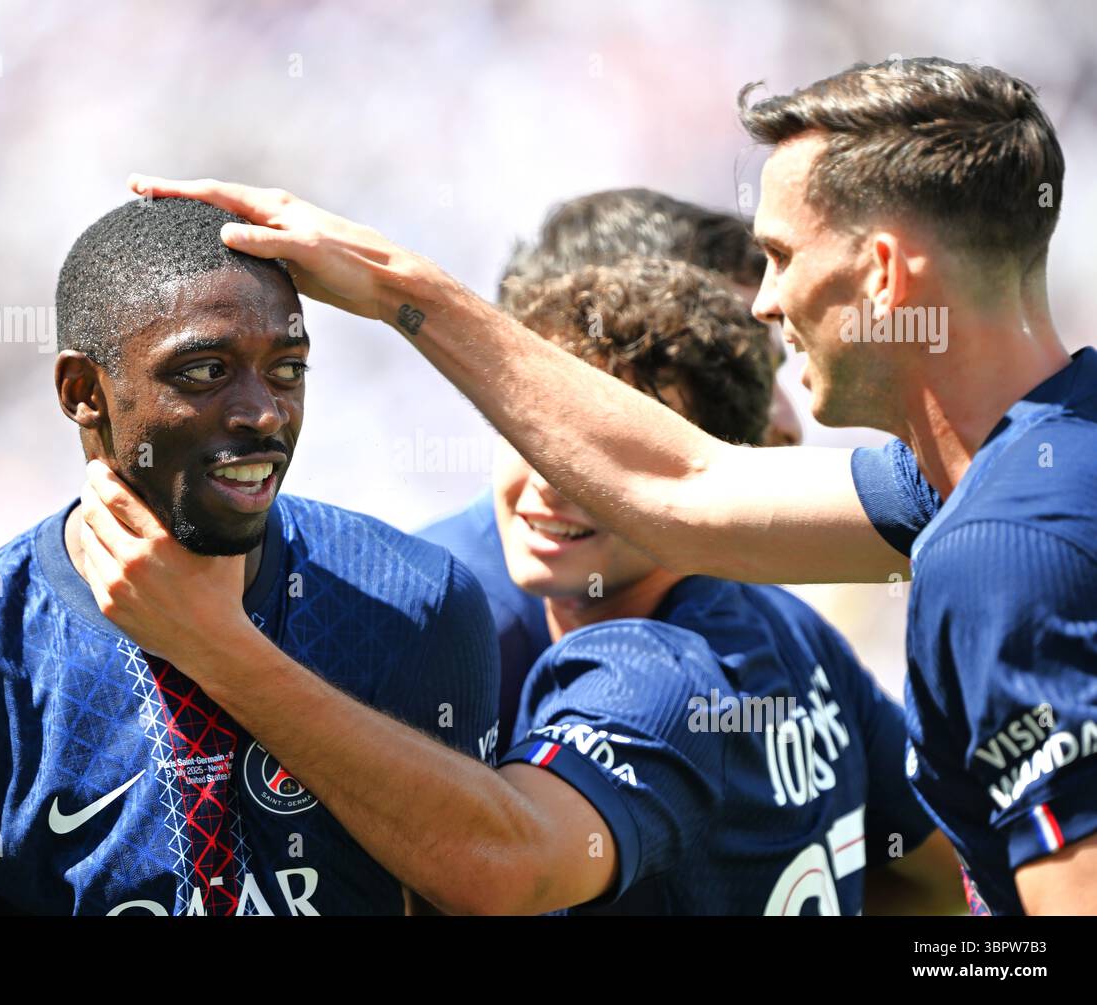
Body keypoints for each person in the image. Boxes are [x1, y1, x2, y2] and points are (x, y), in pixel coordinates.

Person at [129, 56, 1097, 915]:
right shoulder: (1008, 469)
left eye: (780, 257)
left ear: (881, 274)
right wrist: (397, 289)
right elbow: (686, 485)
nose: (763, 302)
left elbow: (512, 865)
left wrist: (219, 648)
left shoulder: (997, 552)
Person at [78, 255, 957, 914]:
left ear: (691, 480)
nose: (547, 486)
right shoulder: (796, 639)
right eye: (530, 445)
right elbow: (928, 874)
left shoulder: (653, 670)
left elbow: (512, 862)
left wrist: (216, 644)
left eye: (596, 468)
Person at [0, 196, 499, 917]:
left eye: (287, 368)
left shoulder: (418, 604)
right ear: (83, 392)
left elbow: (498, 889)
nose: (263, 412)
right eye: (206, 370)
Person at [421, 188, 802, 744]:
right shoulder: (434, 625)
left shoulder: (769, 619)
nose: (788, 424)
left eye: (765, 367)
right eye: (745, 371)